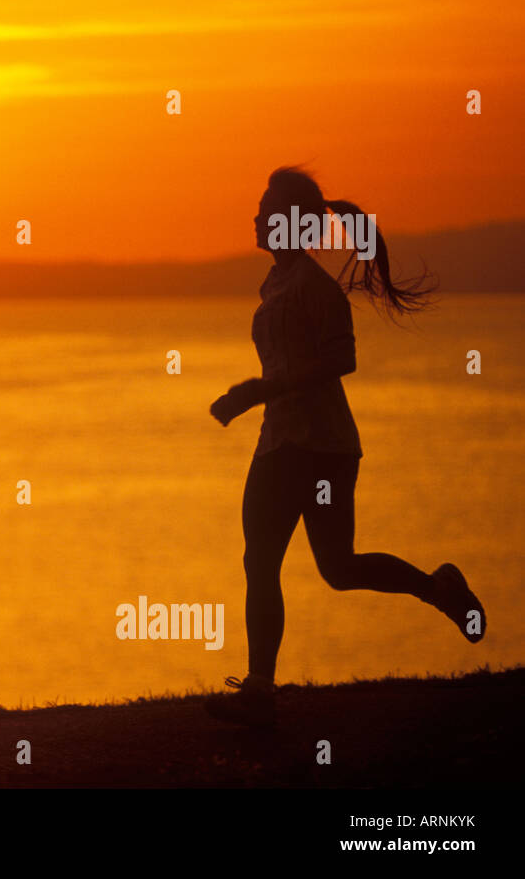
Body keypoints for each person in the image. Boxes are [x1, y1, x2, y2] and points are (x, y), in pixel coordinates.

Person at [204, 166, 485, 728]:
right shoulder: (275, 283)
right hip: (277, 443)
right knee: (259, 561)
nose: (256, 217)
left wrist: (262, 389)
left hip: (324, 449)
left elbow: (342, 360)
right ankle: (260, 688)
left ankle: (438, 587)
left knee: (337, 567)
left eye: (265, 209)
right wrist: (258, 396)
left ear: (289, 223)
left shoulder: (314, 287)